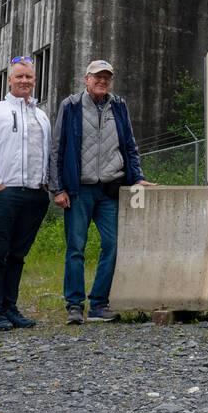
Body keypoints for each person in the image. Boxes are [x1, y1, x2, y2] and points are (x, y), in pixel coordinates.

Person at [49, 60, 152, 324]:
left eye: (107, 77)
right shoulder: (70, 106)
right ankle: (74, 305)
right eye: (97, 77)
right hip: (79, 190)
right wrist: (58, 188)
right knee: (76, 248)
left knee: (113, 244)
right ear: (86, 79)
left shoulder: (118, 105)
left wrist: (137, 176)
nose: (102, 81)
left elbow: (129, 145)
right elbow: (57, 149)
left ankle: (98, 304)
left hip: (109, 189)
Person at [0, 57, 51, 332]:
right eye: (19, 76)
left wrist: (46, 185)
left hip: (35, 195)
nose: (24, 81)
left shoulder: (42, 115)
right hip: (5, 192)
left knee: (18, 255)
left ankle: (10, 307)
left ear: (34, 79)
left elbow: (47, 153)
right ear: (9, 79)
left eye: (29, 77)